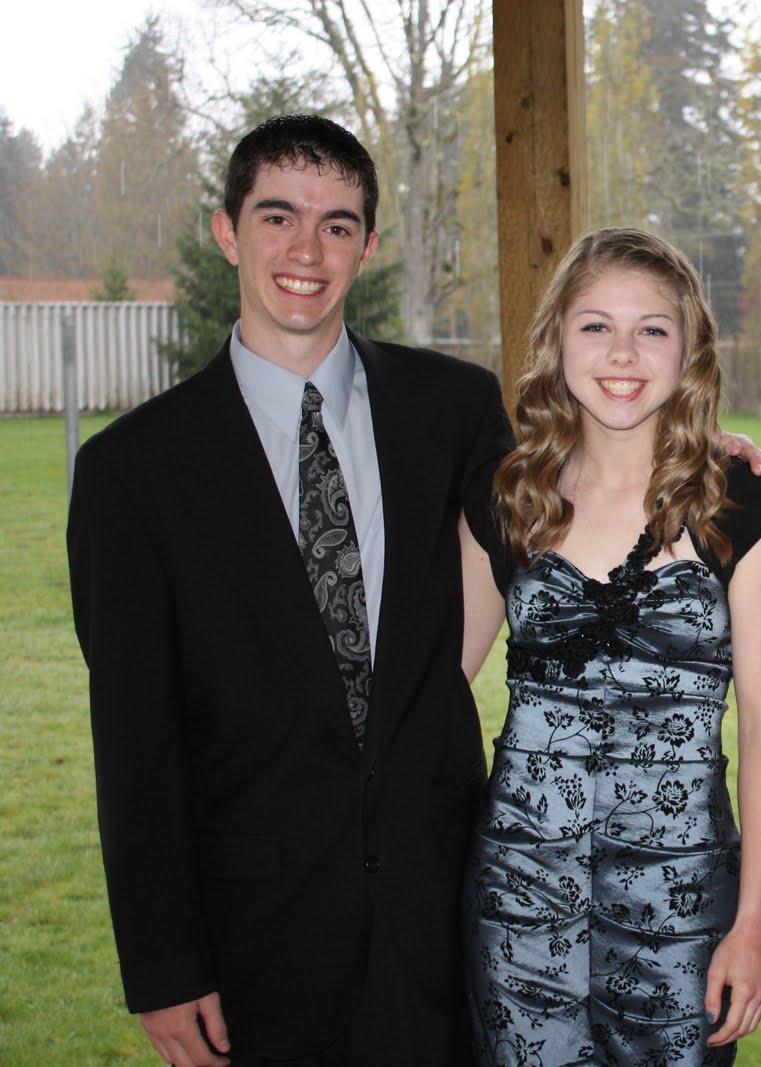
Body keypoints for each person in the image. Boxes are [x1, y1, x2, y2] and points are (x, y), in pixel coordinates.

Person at [66, 114, 514, 1066]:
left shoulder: (456, 410)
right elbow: (134, 740)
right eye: (279, 217)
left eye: (338, 224)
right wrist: (162, 963)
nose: (307, 250)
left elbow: (571, 513)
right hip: (254, 945)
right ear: (228, 232)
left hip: (446, 918)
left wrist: (701, 457)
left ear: (369, 246)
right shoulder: (132, 473)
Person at [460, 228, 761, 1066]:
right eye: (595, 325)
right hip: (518, 893)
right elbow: (433, 688)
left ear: (689, 350)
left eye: (652, 328)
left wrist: (753, 921)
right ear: (557, 341)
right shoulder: (508, 498)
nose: (623, 352)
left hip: (680, 905)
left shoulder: (742, 505)